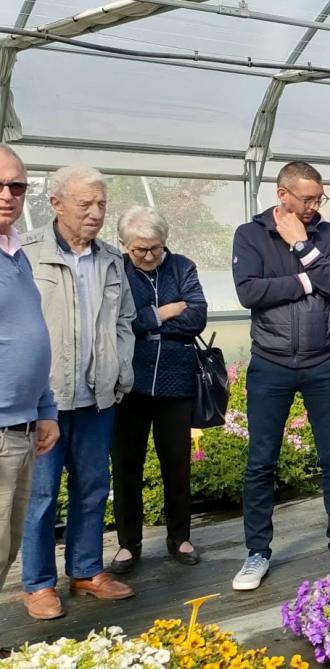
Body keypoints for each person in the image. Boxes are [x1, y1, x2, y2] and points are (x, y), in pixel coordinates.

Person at [230, 161, 330, 590]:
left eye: (318, 198)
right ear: (282, 194)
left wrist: (303, 247)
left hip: (325, 362)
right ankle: (257, 552)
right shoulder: (250, 235)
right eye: (306, 198)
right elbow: (250, 291)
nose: (313, 206)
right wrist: (307, 281)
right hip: (271, 362)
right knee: (261, 460)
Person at [22, 165, 135, 619]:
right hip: (43, 399)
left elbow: (125, 319)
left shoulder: (111, 259)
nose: (95, 213)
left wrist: (120, 367)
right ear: (56, 204)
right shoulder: (25, 254)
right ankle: (38, 584)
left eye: (101, 204)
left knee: (92, 486)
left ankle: (86, 570)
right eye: (85, 204)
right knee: (41, 495)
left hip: (97, 397)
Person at [110, 207, 208, 574]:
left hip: (175, 381)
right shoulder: (116, 270)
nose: (150, 256)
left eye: (156, 248)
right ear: (125, 245)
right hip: (128, 384)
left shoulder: (182, 267)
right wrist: (164, 313)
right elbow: (120, 321)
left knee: (177, 464)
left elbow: (197, 316)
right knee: (126, 466)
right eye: (140, 249)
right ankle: (128, 544)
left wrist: (145, 323)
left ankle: (179, 537)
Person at [0, 145, 58, 594]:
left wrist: (45, 409)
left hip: (21, 428)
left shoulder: (16, 254)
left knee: (5, 547)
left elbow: (28, 337)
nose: (8, 195)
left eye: (17, 186)